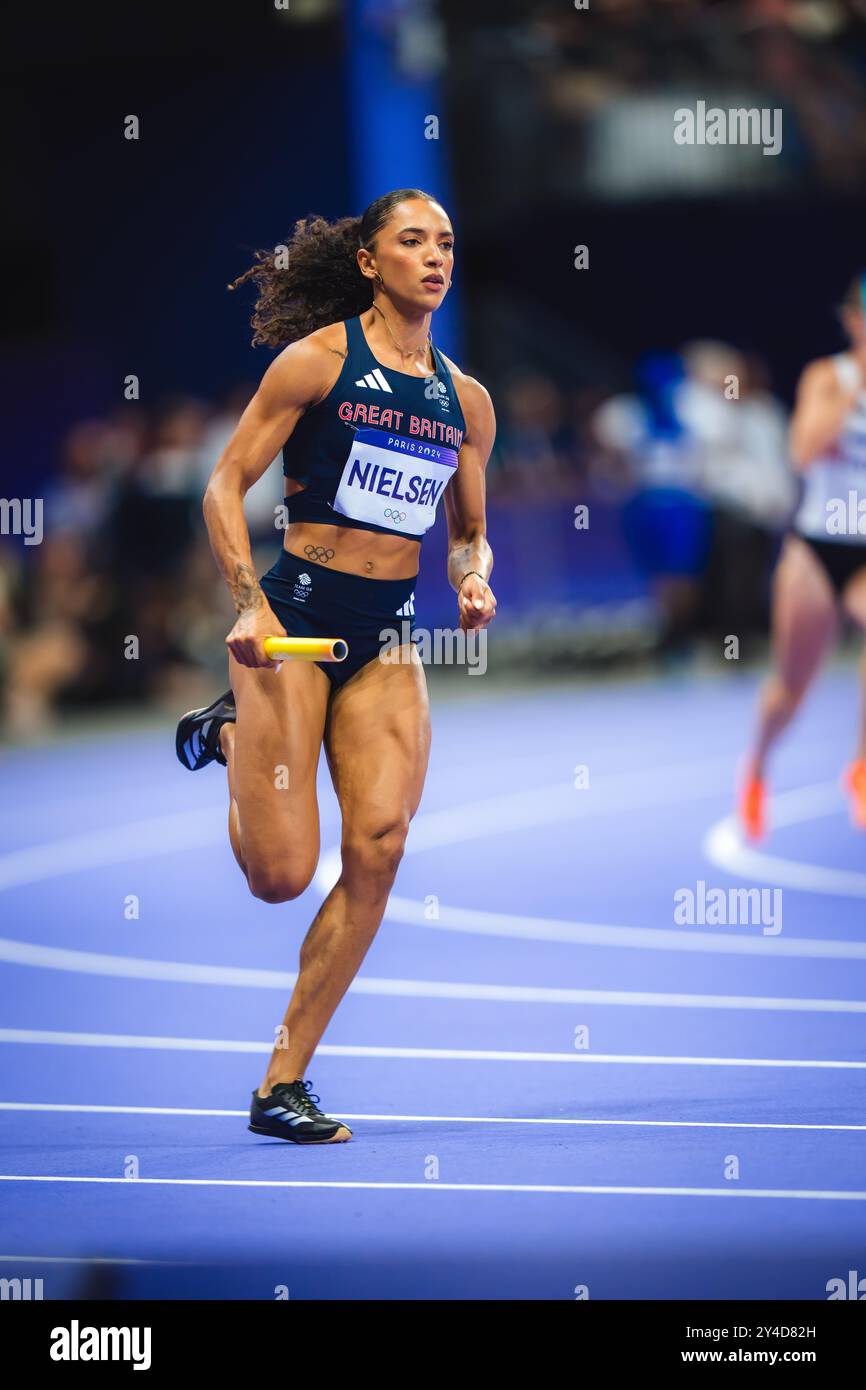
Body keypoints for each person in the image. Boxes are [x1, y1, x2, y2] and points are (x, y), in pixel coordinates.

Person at [175, 189, 497, 1142]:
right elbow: (223, 486)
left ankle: (283, 1081)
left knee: (381, 850)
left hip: (388, 639)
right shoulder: (316, 363)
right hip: (294, 631)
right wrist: (248, 600)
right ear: (369, 260)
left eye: (446, 241)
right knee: (281, 875)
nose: (435, 257)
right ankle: (230, 730)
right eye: (412, 241)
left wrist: (474, 579)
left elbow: (468, 532)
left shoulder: (464, 401)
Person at [740, 273, 866, 839]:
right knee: (792, 688)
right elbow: (802, 451)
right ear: (850, 320)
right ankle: (759, 766)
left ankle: (860, 766)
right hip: (815, 548)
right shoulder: (827, 376)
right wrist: (851, 396)